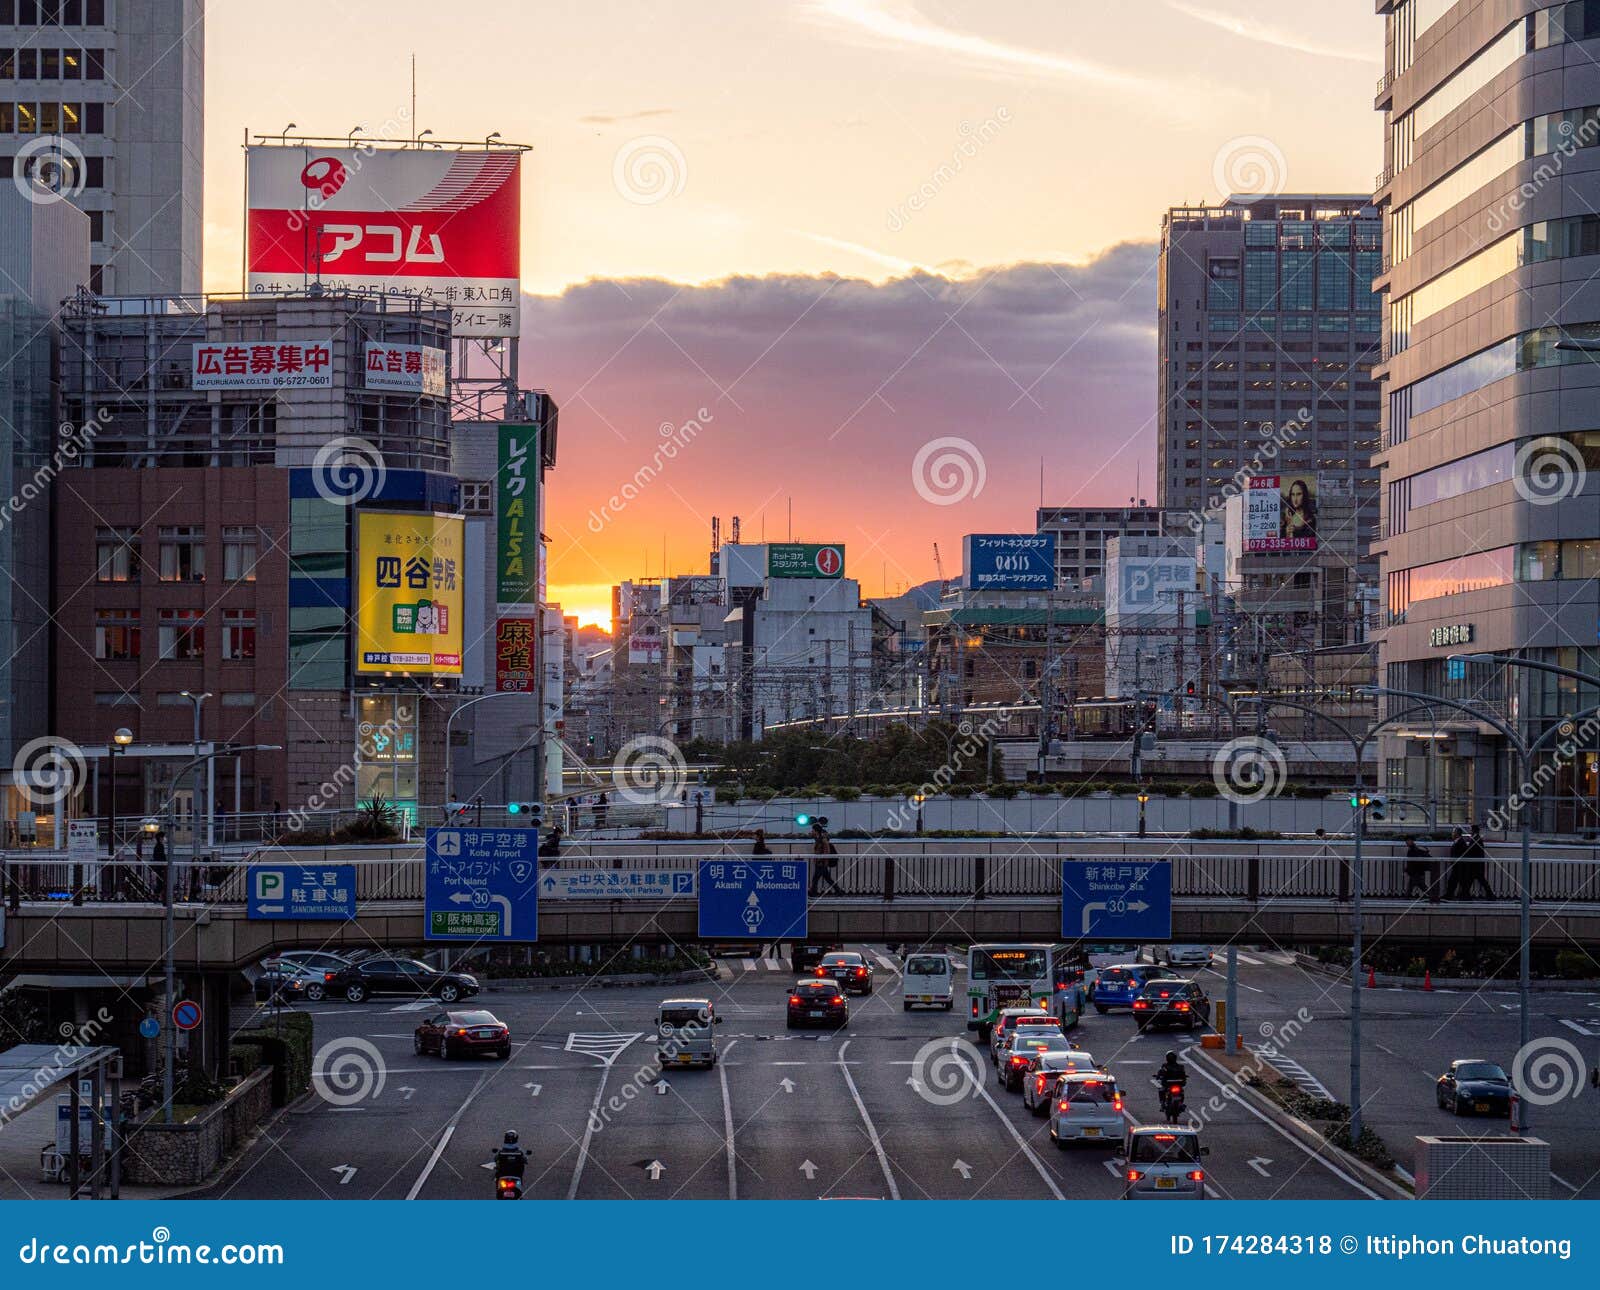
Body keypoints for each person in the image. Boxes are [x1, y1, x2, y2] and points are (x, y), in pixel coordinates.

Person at [1402, 837, 1440, 903]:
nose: (1406, 842)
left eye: (1408, 841)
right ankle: (1433, 897)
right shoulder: (1414, 849)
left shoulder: (1413, 850)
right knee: (1419, 886)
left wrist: (1407, 869)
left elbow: (1413, 862)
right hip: (1417, 872)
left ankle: (1433, 897)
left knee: (1419, 886)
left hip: (1416, 872)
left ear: (1411, 841)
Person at [808, 819, 839, 895]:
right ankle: (838, 891)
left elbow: (826, 851)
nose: (812, 831)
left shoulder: (823, 840)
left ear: (816, 831)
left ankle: (813, 892)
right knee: (827, 878)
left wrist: (821, 859)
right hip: (820, 862)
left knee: (816, 878)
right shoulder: (818, 839)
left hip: (821, 862)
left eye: (813, 830)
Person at [1462, 824, 1494, 899]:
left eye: (1470, 830)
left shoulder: (1476, 839)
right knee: (1472, 880)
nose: (1470, 831)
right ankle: (1465, 894)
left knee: (1475, 880)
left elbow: (1472, 851)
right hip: (1476, 865)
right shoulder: (1476, 838)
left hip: (1476, 865)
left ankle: (1465, 895)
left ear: (1473, 830)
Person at [1442, 826, 1468, 899]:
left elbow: (1460, 854)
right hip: (1457, 866)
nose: (1452, 834)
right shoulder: (1458, 841)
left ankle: (1450, 895)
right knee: (1455, 881)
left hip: (1459, 866)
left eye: (1453, 832)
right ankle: (1451, 895)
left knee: (1454, 881)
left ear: (1457, 833)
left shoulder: (1461, 842)